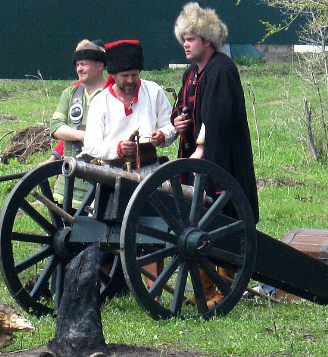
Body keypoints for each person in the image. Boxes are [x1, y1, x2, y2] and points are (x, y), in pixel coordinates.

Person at [171, 2, 260, 306]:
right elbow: (186, 108)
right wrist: (178, 121)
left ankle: (224, 288)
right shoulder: (191, 74)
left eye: (191, 39)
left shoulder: (221, 69)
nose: (185, 44)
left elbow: (217, 117)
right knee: (198, 222)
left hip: (222, 161)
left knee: (223, 219)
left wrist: (201, 148)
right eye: (184, 38)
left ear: (207, 41)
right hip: (196, 163)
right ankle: (205, 289)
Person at [82, 39, 177, 175]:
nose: (130, 80)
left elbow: (170, 125)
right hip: (112, 174)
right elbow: (91, 145)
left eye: (134, 75)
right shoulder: (100, 102)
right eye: (125, 76)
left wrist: (163, 135)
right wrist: (118, 149)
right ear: (114, 75)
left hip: (150, 172)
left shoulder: (153, 91)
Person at [49, 39, 108, 207]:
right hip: (67, 183)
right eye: (77, 65)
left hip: (100, 181)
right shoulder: (70, 93)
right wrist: (83, 135)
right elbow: (55, 127)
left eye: (84, 64)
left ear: (100, 65)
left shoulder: (111, 94)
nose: (79, 69)